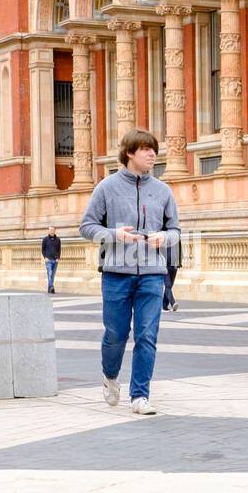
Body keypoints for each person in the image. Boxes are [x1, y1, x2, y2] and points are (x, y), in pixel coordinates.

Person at [79, 128, 180, 416]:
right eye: (146, 150)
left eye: (154, 150)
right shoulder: (106, 188)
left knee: (147, 335)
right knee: (116, 334)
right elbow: (86, 226)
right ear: (129, 153)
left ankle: (140, 396)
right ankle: (110, 376)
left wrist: (165, 238)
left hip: (152, 272)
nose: (152, 155)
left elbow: (175, 230)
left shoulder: (163, 191)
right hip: (116, 274)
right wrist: (113, 234)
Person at [41, 226, 61, 294]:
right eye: (50, 230)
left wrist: (58, 258)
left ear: (55, 231)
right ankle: (52, 287)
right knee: (49, 274)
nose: (51, 231)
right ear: (48, 231)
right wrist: (45, 257)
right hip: (48, 260)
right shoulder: (45, 239)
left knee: (52, 275)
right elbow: (43, 250)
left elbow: (59, 250)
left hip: (55, 260)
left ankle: (49, 288)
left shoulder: (58, 239)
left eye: (53, 230)